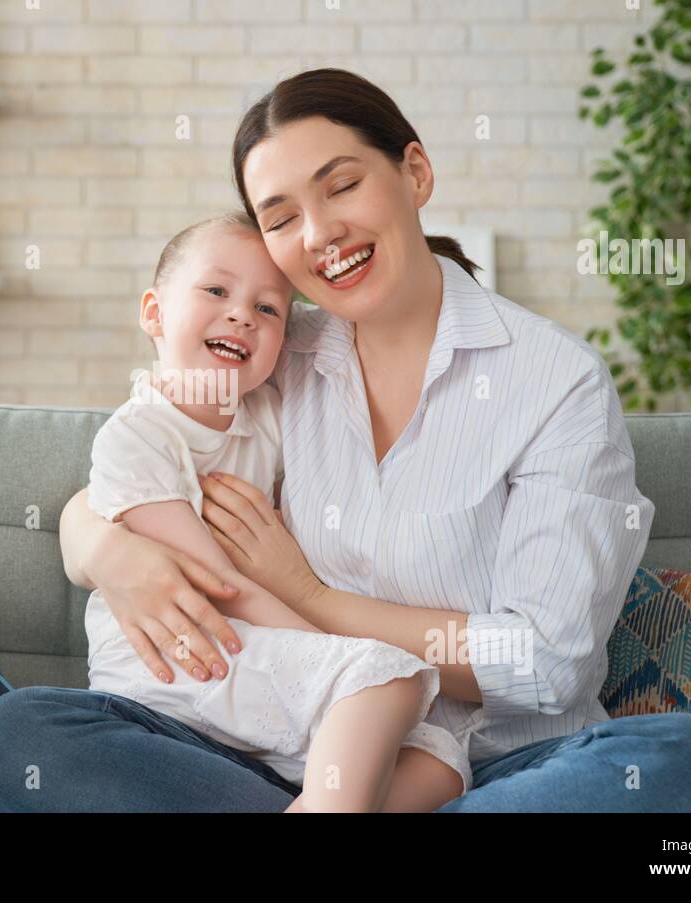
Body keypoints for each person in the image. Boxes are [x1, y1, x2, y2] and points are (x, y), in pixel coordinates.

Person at [0, 68, 691, 813]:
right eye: (281, 217)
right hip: (266, 752)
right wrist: (104, 549)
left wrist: (318, 601)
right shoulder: (274, 353)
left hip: (493, 770)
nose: (319, 233)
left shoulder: (554, 381)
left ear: (414, 173)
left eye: (342, 185)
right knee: (24, 735)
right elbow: (140, 461)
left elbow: (544, 660)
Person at [83, 209, 470, 812]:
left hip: (253, 654)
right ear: (154, 312)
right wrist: (331, 654)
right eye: (216, 291)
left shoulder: (267, 412)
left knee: (442, 761)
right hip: (174, 655)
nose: (242, 314)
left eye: (268, 309)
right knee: (387, 680)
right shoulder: (138, 437)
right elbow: (221, 587)